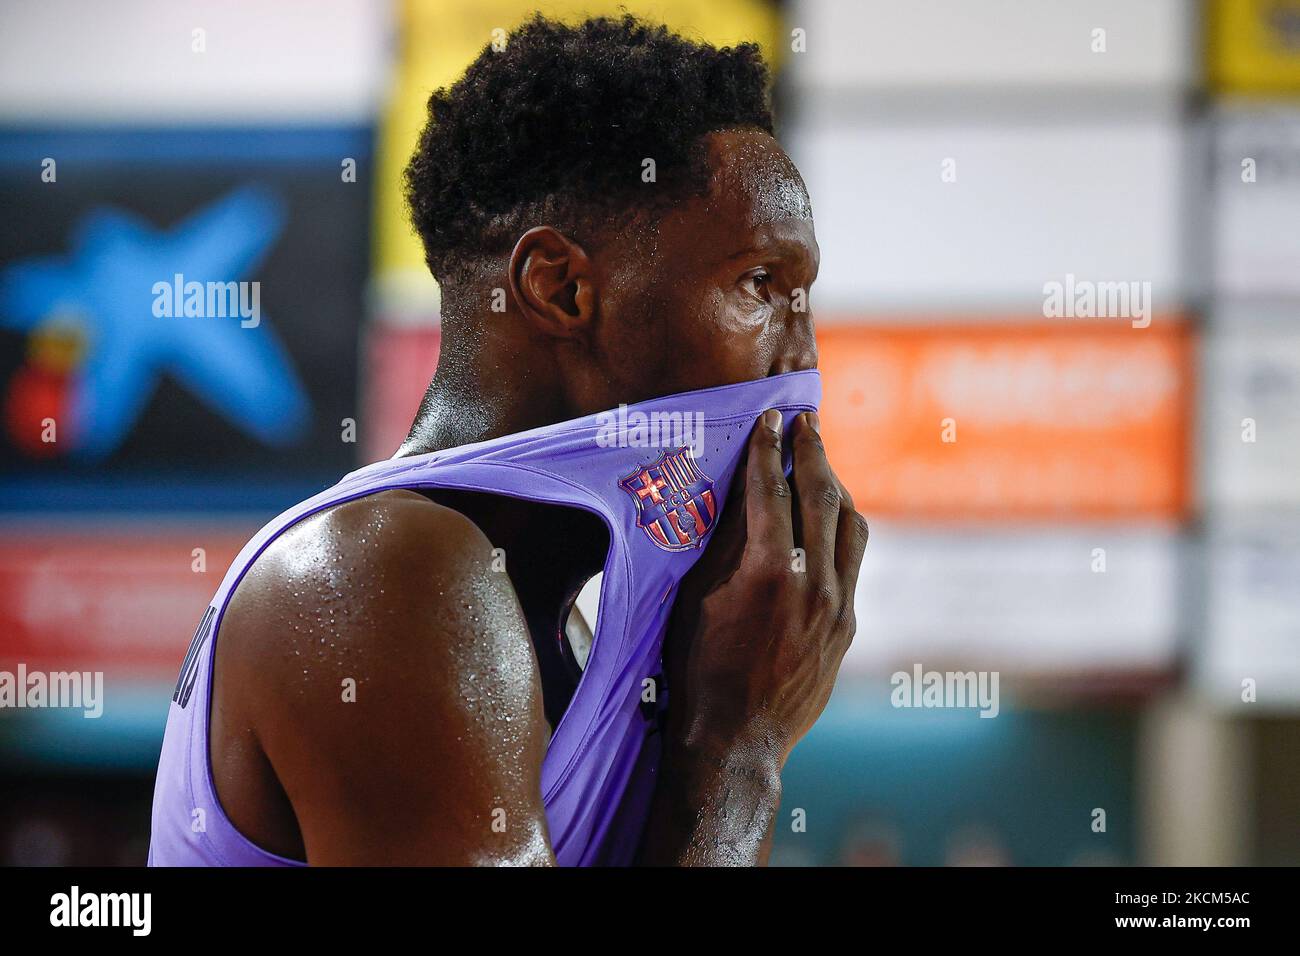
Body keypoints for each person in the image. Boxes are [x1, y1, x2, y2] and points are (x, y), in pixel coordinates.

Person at [149, 13, 866, 866]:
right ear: (560, 289)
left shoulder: (558, 622)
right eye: (760, 284)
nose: (804, 360)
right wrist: (736, 752)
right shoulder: (385, 575)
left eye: (805, 299)